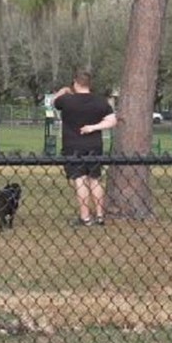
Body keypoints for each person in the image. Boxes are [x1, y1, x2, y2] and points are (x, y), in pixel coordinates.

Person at [52, 69, 117, 227]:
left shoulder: (67, 100)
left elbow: (54, 101)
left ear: (75, 83)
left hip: (73, 146)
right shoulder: (100, 101)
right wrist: (94, 127)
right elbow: (112, 121)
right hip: (94, 145)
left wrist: (63, 90)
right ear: (90, 84)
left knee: (80, 180)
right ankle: (100, 216)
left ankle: (85, 217)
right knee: (95, 180)